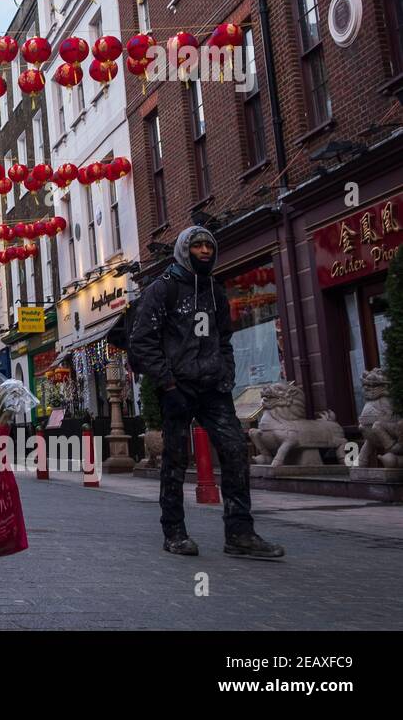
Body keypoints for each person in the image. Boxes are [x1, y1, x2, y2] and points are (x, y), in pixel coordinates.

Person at [129, 225, 284, 560]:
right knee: (174, 459)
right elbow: (142, 341)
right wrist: (167, 383)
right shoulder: (163, 289)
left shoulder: (215, 290)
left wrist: (225, 373)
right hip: (177, 387)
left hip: (213, 387)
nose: (204, 251)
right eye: (197, 245)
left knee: (234, 450)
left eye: (208, 246)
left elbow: (225, 338)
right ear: (185, 250)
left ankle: (240, 532)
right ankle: (174, 532)